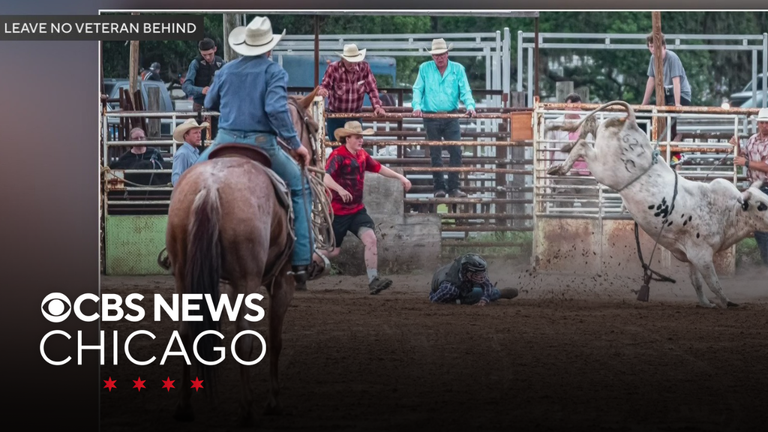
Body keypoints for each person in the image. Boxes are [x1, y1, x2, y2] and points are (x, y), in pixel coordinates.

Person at [195, 16, 319, 290]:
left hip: (224, 142)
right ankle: (302, 260)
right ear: (269, 48)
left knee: (186, 181)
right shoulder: (274, 72)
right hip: (262, 144)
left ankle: (174, 248)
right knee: (300, 188)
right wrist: (295, 144)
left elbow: (209, 101)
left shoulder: (226, 70)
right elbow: (276, 109)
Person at [319, 121, 412, 294]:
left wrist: (400, 177)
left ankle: (373, 280)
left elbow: (379, 168)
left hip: (356, 210)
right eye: (357, 137)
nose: (361, 140)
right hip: (338, 212)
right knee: (333, 252)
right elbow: (325, 177)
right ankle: (300, 263)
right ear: (348, 138)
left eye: (361, 137)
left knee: (371, 239)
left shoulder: (362, 155)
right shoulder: (337, 155)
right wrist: (339, 188)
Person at [412, 38, 476, 198]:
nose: (439, 58)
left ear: (447, 54)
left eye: (441, 54)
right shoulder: (425, 69)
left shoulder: (458, 69)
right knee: (435, 153)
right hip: (431, 115)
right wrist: (417, 106)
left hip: (450, 114)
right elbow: (417, 89)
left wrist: (470, 105)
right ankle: (439, 188)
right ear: (433, 56)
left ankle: (453, 187)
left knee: (455, 151)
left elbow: (465, 90)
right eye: (436, 55)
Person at [641, 32, 692, 168]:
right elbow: (651, 80)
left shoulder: (672, 58)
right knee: (652, 116)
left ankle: (678, 153)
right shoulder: (653, 59)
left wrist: (677, 103)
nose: (654, 50)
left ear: (664, 47)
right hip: (666, 95)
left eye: (656, 47)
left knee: (667, 116)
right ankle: (652, 150)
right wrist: (643, 104)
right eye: (651, 47)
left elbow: (677, 82)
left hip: (681, 95)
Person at [317, 44, 386, 142]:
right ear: (343, 59)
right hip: (336, 116)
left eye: (355, 62)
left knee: (355, 146)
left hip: (355, 115)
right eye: (350, 62)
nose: (353, 65)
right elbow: (325, 85)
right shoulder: (333, 68)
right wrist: (323, 90)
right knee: (337, 147)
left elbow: (372, 88)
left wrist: (377, 106)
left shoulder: (364, 68)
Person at [545, 93, 596, 209]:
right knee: (563, 205)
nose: (574, 109)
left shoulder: (588, 123)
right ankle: (563, 226)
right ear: (565, 107)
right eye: (571, 106)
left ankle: (592, 226)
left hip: (586, 173)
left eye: (577, 106)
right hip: (564, 174)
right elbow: (548, 151)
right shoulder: (555, 124)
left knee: (593, 206)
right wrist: (546, 176)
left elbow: (595, 147)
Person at [731, 107, 768, 267]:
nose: (765, 125)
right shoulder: (752, 139)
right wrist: (737, 147)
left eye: (767, 122)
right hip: (756, 188)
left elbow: (766, 167)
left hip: (763, 187)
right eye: (762, 122)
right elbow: (742, 157)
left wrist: (745, 162)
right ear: (758, 123)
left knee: (761, 229)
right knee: (760, 229)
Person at [429, 253, 518, 306]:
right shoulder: (449, 287)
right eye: (477, 274)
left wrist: (484, 299)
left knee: (481, 293)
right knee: (459, 292)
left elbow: (486, 285)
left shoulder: (469, 273)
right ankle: (495, 294)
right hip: (449, 289)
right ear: (467, 272)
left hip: (464, 285)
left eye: (481, 273)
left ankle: (498, 293)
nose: (481, 276)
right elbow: (433, 300)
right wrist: (457, 302)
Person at [183, 38, 225, 140]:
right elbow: (186, 86)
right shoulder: (195, 63)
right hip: (200, 106)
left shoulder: (222, 63)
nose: (207, 57)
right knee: (199, 138)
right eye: (204, 54)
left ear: (215, 49)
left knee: (218, 137)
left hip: (217, 106)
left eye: (210, 54)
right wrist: (201, 90)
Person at [171, 118, 207, 187]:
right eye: (195, 133)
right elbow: (176, 179)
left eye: (199, 132)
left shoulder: (194, 152)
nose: (199, 136)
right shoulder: (182, 154)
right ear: (186, 136)